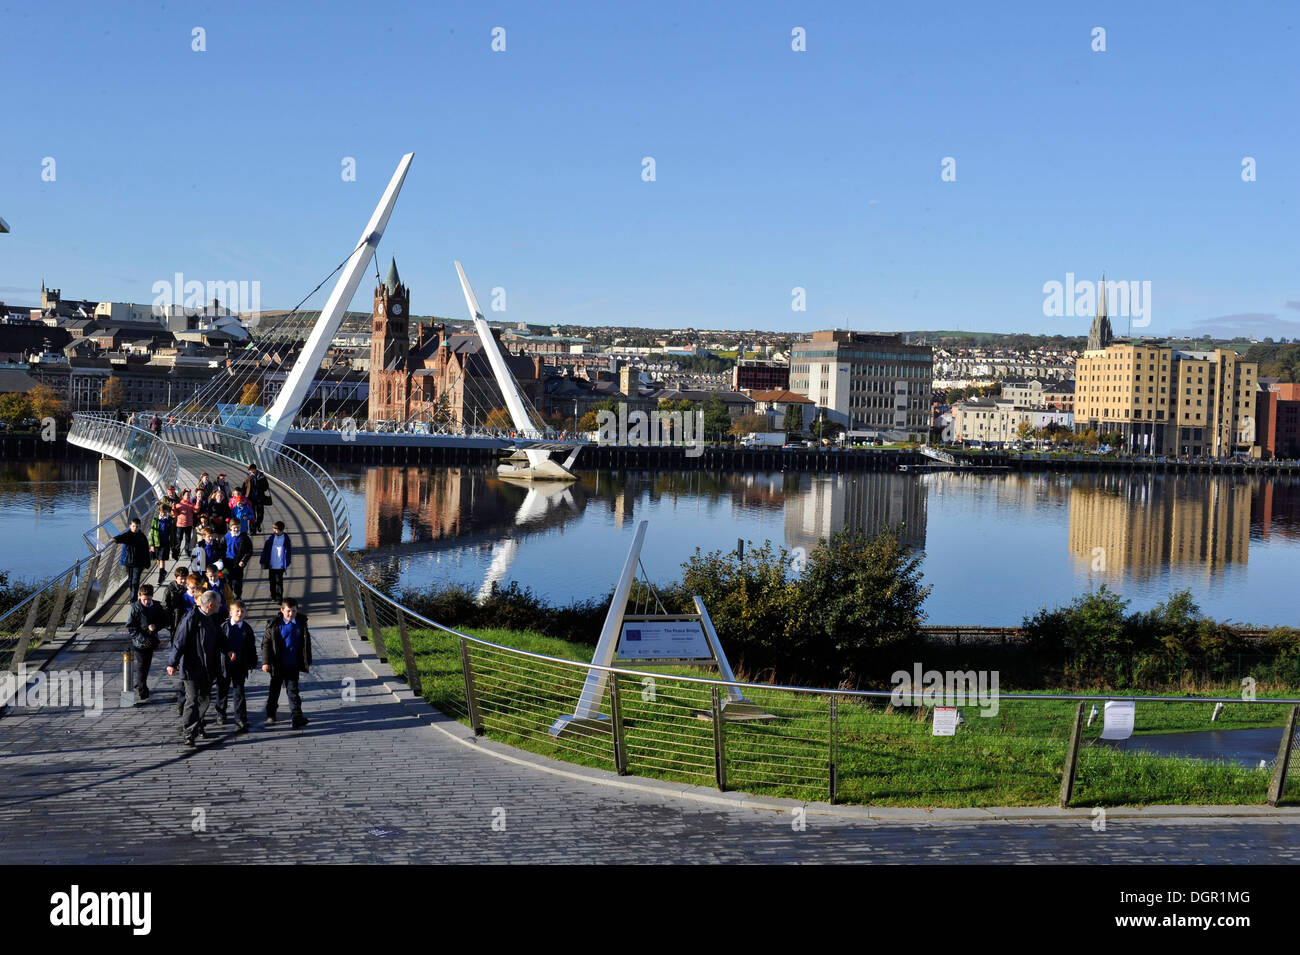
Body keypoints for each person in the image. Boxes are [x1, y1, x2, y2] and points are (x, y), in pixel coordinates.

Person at [167, 591, 223, 747]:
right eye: (219, 603)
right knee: (192, 700)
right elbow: (180, 642)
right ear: (210, 605)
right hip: (191, 667)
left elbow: (220, 638)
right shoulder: (191, 619)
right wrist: (172, 662)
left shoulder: (212, 618)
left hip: (207, 667)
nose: (221, 605)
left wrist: (229, 649)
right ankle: (189, 733)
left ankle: (198, 725)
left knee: (204, 698)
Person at [261, 597, 311, 728]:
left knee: (293, 691)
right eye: (288, 611)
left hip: (292, 664)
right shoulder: (275, 625)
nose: (291, 614)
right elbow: (266, 644)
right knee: (274, 690)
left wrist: (307, 659)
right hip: (277, 664)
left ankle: (297, 717)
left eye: (293, 611)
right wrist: (265, 662)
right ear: (282, 610)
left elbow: (306, 643)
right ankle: (271, 713)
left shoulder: (301, 623)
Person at [216, 600, 257, 731]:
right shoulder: (223, 627)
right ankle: (220, 713)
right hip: (224, 665)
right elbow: (218, 645)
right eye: (237, 611)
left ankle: (240, 718)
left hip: (240, 665)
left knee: (239, 691)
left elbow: (251, 647)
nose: (240, 613)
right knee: (222, 689)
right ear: (231, 612)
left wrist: (252, 662)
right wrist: (226, 652)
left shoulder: (247, 628)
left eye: (242, 611)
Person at [126, 584, 168, 702]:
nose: (146, 601)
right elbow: (131, 627)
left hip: (151, 640)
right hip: (139, 642)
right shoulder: (135, 607)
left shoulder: (156, 606)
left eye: (148, 599)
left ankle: (140, 682)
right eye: (144, 599)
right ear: (139, 596)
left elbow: (163, 621)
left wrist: (156, 626)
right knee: (141, 665)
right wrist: (142, 638)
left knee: (147, 664)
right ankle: (142, 690)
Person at [112, 517, 151, 599]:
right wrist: (115, 539)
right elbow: (122, 537)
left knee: (135, 580)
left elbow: (146, 551)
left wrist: (147, 562)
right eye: (133, 526)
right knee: (130, 580)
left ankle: (133, 597)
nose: (135, 528)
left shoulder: (142, 537)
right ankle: (132, 593)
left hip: (139, 563)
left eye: (137, 526)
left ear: (140, 527)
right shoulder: (128, 535)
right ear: (130, 526)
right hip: (129, 562)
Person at [259, 521, 292, 603]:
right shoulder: (271, 538)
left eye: (275, 529)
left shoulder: (286, 539)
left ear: (281, 530)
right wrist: (263, 561)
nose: (274, 530)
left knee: (279, 582)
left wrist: (286, 563)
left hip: (280, 565)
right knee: (272, 581)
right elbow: (265, 550)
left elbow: (288, 553)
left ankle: (279, 597)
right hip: (272, 564)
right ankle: (273, 594)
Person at [222, 521, 254, 599]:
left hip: (238, 563)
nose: (236, 529)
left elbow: (249, 551)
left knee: (237, 581)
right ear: (230, 527)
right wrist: (222, 560)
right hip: (227, 563)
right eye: (234, 528)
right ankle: (229, 596)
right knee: (227, 579)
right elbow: (222, 549)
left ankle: (238, 596)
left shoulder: (244, 537)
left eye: (238, 527)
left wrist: (243, 560)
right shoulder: (226, 536)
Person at [148, 502, 177, 574]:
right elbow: (152, 533)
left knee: (162, 559)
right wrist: (151, 545)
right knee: (158, 559)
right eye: (161, 512)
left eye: (164, 512)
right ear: (159, 511)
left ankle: (161, 575)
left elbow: (173, 531)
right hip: (157, 542)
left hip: (165, 542)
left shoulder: (170, 519)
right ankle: (163, 571)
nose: (163, 514)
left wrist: (173, 543)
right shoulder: (155, 519)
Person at [241, 463, 270, 534]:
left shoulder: (261, 476)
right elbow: (244, 486)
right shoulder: (248, 476)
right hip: (250, 499)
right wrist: (243, 496)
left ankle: (258, 524)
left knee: (260, 514)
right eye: (250, 470)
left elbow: (266, 486)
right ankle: (252, 530)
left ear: (255, 469)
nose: (251, 472)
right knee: (252, 514)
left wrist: (259, 487)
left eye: (252, 470)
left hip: (259, 498)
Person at [173, 490, 197, 557]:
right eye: (187, 495)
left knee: (188, 539)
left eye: (189, 495)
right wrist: (173, 507)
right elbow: (174, 513)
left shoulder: (191, 505)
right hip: (180, 525)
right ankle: (177, 552)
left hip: (188, 524)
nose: (188, 496)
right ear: (183, 496)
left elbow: (196, 510)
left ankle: (187, 551)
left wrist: (197, 503)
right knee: (179, 539)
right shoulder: (179, 505)